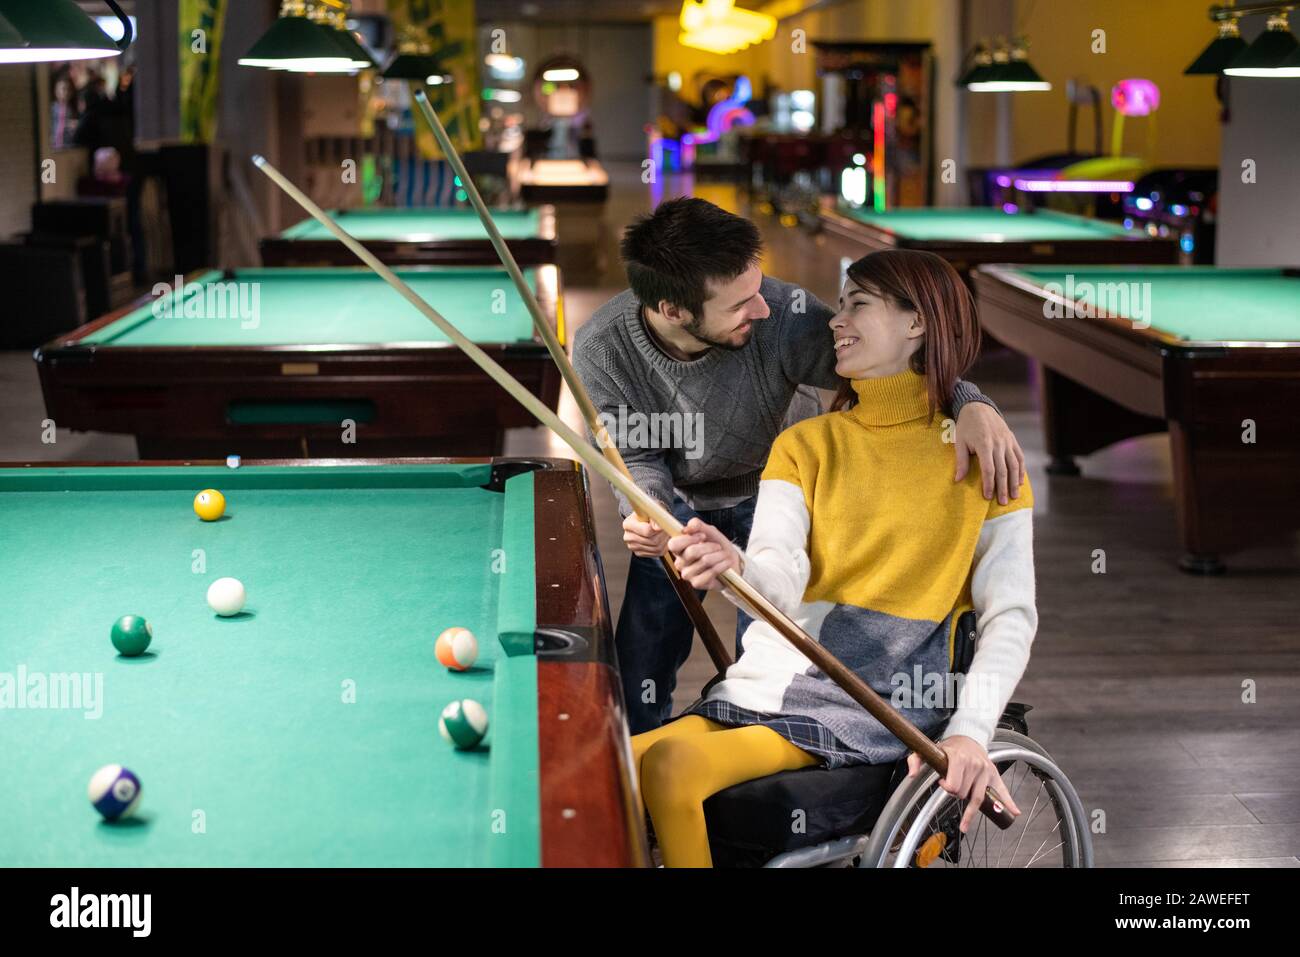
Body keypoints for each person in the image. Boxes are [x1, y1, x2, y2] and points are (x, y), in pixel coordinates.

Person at [634, 248, 1037, 867]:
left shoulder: (987, 456)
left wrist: (970, 731)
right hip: (771, 684)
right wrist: (734, 566)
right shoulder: (805, 445)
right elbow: (780, 575)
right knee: (602, 765)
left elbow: (1010, 615)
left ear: (917, 324)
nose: (834, 320)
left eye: (858, 305)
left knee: (668, 764)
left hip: (881, 701)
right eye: (840, 304)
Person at [571, 198, 1025, 735]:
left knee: (769, 646)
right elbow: (637, 456)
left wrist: (971, 401)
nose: (760, 307)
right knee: (644, 656)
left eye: (758, 288)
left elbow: (894, 365)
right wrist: (646, 512)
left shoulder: (783, 315)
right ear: (673, 310)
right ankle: (633, 777)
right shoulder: (602, 348)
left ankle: (762, 761)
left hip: (777, 486)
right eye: (740, 305)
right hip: (678, 503)